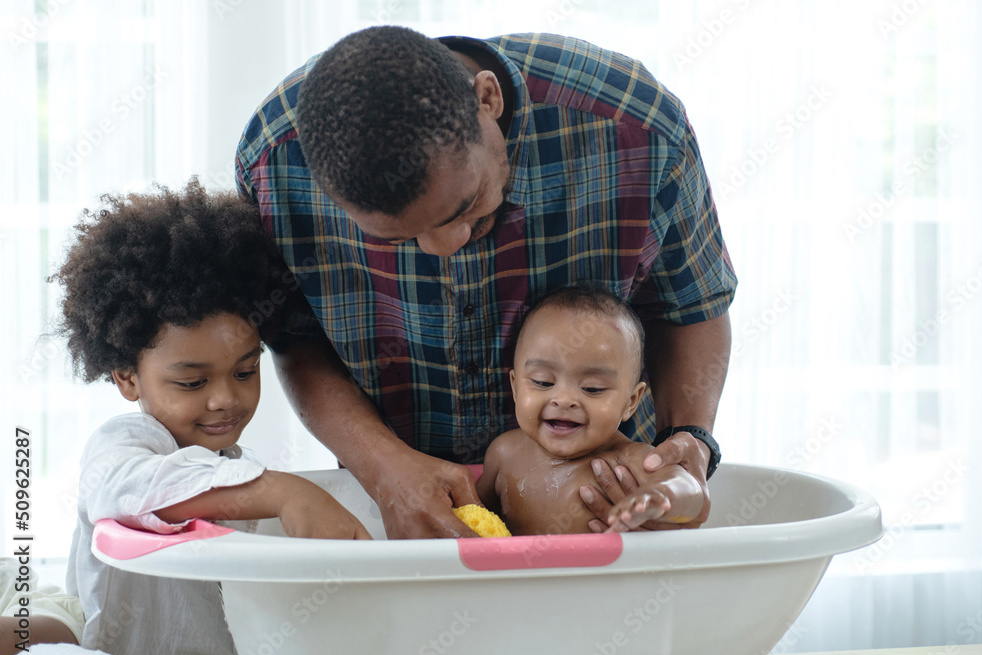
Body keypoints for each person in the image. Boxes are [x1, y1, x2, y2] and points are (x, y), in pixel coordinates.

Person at [236, 27, 736, 539]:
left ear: (488, 99)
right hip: (394, 501)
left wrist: (691, 440)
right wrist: (383, 468)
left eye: (466, 206)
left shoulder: (638, 128)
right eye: (400, 238)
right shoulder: (275, 163)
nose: (444, 245)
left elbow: (691, 306)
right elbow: (297, 341)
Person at [53, 179, 371, 655]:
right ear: (126, 378)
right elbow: (132, 487)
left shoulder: (229, 461)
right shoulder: (129, 443)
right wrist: (284, 491)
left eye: (245, 371)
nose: (226, 399)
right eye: (192, 384)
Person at [476, 285, 703, 535]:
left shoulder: (628, 461)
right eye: (543, 382)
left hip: (602, 576)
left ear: (630, 401)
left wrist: (661, 495)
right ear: (516, 387)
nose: (564, 400)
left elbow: (689, 488)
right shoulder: (503, 454)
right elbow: (472, 512)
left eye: (592, 388)